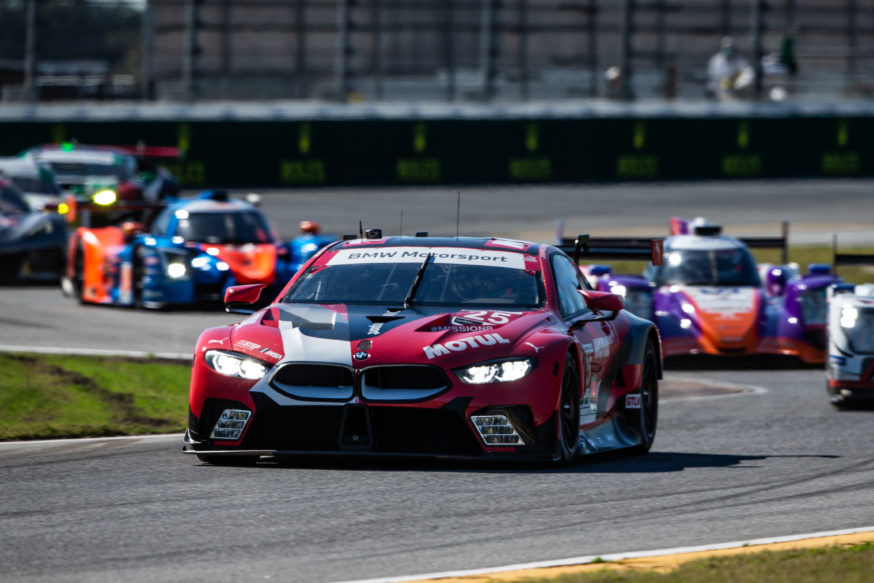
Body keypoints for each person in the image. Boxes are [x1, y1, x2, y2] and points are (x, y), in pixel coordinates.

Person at [707, 37, 754, 101]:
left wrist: (737, 84)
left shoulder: (740, 60)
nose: (728, 50)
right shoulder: (716, 60)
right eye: (725, 48)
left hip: (737, 93)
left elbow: (748, 75)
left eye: (730, 48)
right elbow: (713, 78)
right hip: (719, 92)